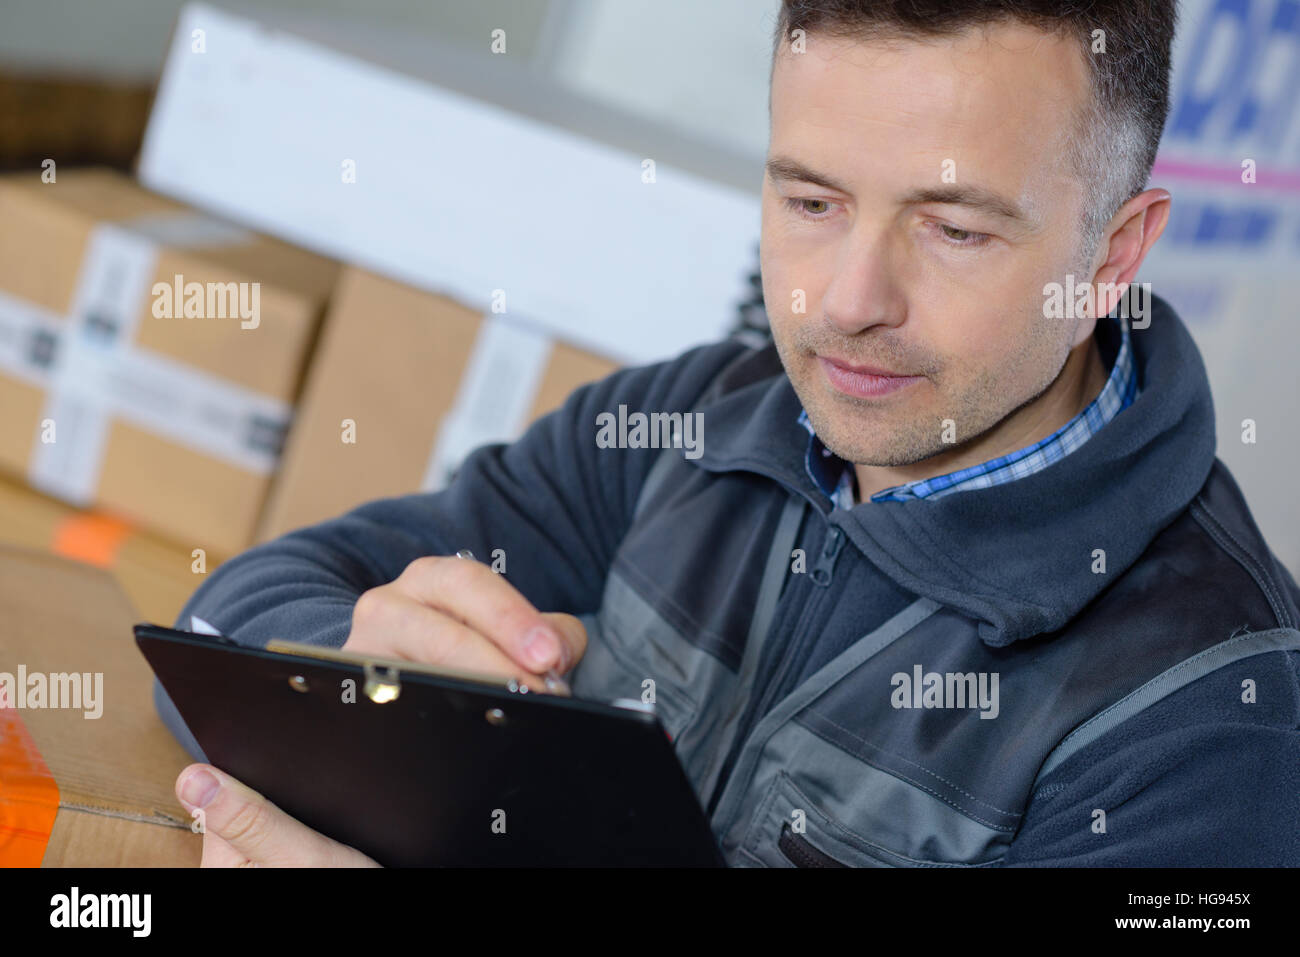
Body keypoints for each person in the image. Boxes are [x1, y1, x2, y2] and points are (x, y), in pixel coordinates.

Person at [160, 0, 1300, 867]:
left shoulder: (1208, 721)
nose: (847, 299)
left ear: (1110, 257)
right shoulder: (690, 426)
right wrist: (345, 695)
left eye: (951, 229)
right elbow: (235, 612)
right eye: (810, 203)